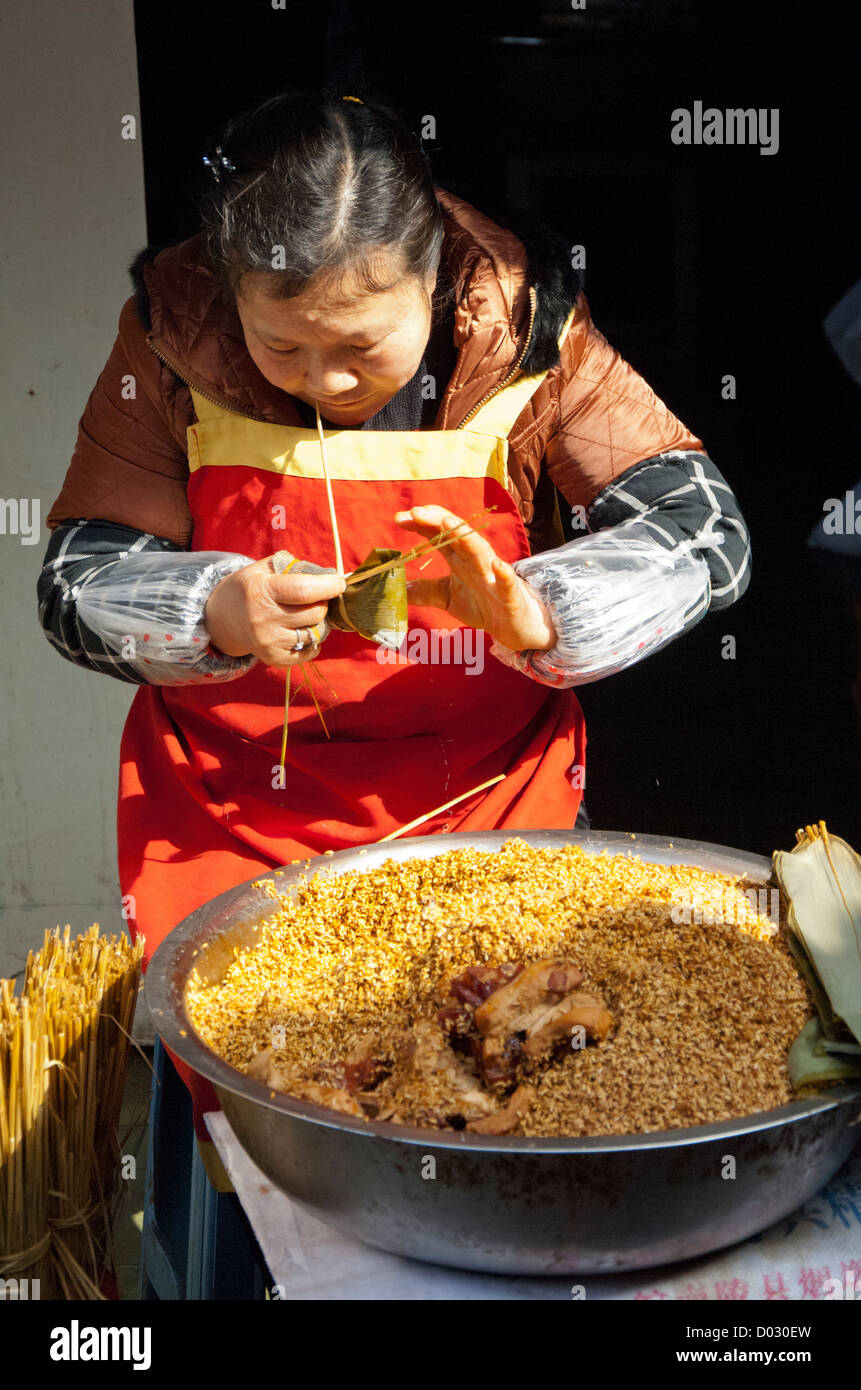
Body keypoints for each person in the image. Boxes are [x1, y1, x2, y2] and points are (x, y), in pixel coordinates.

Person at [38, 88, 750, 1131]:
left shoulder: (524, 327)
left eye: (364, 346)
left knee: (496, 1101)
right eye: (283, 348)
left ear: (436, 279)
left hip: (488, 813)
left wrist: (547, 613)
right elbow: (71, 575)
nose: (327, 380)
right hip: (239, 817)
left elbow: (707, 531)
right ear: (230, 292)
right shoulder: (171, 337)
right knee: (264, 1113)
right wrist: (214, 608)